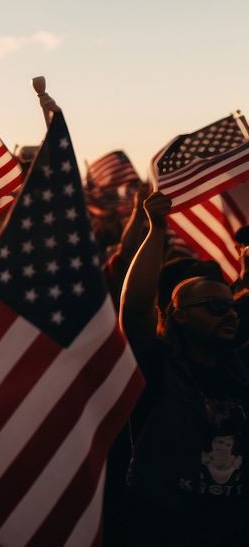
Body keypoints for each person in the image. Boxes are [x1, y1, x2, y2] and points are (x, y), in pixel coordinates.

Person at [120, 192, 249, 545]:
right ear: (178, 315)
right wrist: (156, 229)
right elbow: (134, 308)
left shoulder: (240, 367)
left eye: (231, 306)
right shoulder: (157, 365)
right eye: (214, 307)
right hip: (164, 528)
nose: (230, 314)